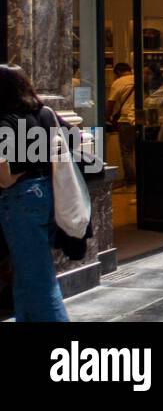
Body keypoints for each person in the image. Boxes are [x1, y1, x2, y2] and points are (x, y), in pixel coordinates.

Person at [0, 64, 69, 321]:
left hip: (21, 198)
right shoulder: (42, 112)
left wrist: (9, 179)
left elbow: (4, 173)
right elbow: (74, 136)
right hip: (47, 193)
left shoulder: (6, 119)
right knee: (27, 272)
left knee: (39, 279)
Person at [106, 62, 136, 186]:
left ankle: (130, 180)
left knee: (127, 152)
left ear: (117, 72)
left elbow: (110, 104)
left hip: (125, 120)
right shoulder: (138, 78)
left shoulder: (118, 83)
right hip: (140, 119)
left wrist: (106, 117)